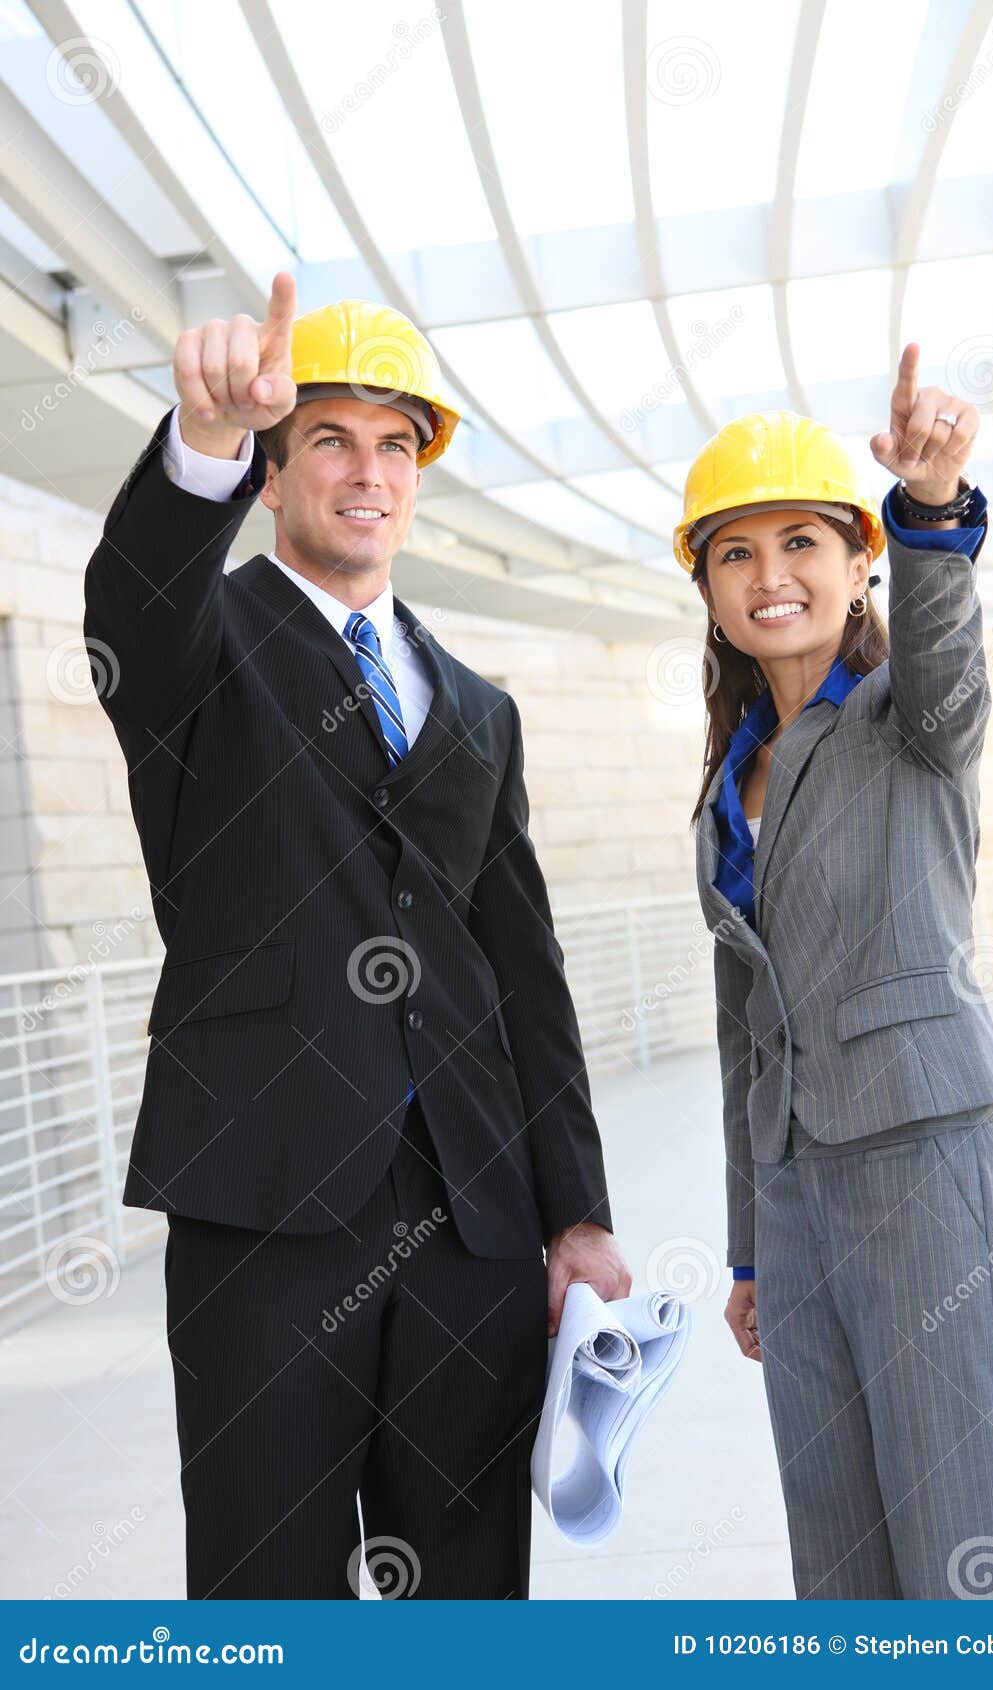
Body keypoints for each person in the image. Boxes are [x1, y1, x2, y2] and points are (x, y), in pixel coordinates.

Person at [83, 272, 630, 1600]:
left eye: (395, 444)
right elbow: (133, 606)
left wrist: (574, 1211)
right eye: (328, 438)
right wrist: (200, 441)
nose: (366, 470)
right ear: (272, 477)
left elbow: (521, 966)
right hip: (265, 1199)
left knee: (465, 1578)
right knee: (267, 1575)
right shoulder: (206, 657)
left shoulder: (480, 708)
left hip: (471, 1214)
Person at [678, 346, 993, 1600]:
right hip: (795, 1201)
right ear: (708, 587)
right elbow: (744, 1037)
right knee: (832, 1571)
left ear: (855, 558)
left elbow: (947, 663)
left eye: (799, 543)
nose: (769, 576)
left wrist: (933, 510)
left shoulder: (907, 718)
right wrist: (745, 1250)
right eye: (734, 552)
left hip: (926, 1168)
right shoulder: (727, 786)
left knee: (955, 1558)